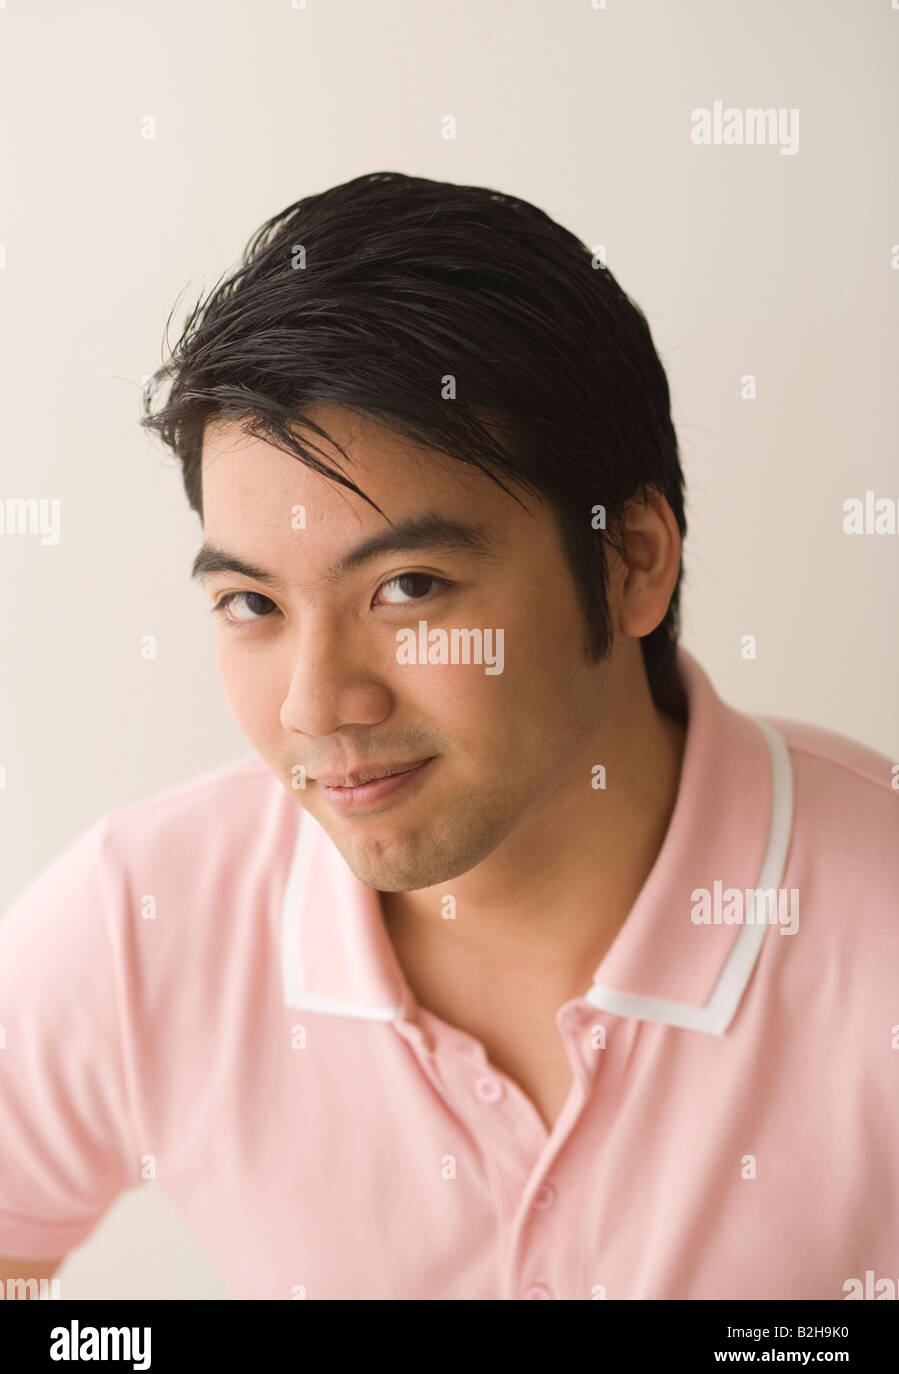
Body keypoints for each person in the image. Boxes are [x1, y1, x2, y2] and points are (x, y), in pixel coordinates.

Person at [1, 172, 896, 1301]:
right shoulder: (142, 919)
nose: (316, 708)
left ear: (629, 561)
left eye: (409, 587)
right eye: (252, 605)